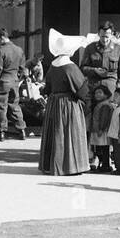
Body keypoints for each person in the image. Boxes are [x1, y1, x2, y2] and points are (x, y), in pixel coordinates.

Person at [38, 29, 94, 176]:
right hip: (68, 103)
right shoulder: (70, 67)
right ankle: (70, 166)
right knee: (70, 133)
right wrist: (88, 102)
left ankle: (52, 165)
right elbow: (82, 90)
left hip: (54, 102)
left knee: (56, 133)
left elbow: (47, 87)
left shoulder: (53, 65)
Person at [79, 22, 120, 123]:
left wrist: (117, 91)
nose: (104, 40)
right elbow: (82, 68)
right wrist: (94, 71)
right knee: (91, 119)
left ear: (112, 35)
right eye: (102, 37)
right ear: (98, 34)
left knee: (108, 120)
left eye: (107, 37)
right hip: (93, 89)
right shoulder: (90, 48)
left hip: (111, 91)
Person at [0, 28, 28, 141]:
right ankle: (22, 130)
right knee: (15, 105)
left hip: (3, 81)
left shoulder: (1, 50)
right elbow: (22, 68)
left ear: (2, 37)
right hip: (14, 81)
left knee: (1, 107)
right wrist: (17, 80)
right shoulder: (19, 50)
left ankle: (2, 132)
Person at [88, 85, 116, 172]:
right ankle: (103, 164)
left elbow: (104, 118)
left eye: (100, 92)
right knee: (102, 149)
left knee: (102, 149)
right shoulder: (100, 104)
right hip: (99, 130)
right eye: (96, 93)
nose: (97, 95)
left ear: (106, 94)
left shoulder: (105, 105)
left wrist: (101, 129)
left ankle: (104, 165)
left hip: (101, 131)